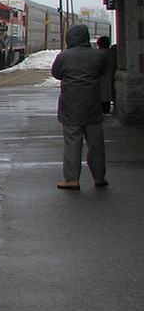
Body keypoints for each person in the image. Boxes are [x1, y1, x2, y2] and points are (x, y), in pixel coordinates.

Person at [50, 24, 108, 190]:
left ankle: (72, 179)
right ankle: (99, 177)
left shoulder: (64, 56)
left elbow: (56, 74)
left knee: (72, 144)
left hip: (71, 106)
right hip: (92, 105)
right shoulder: (97, 55)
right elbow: (102, 71)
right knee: (96, 144)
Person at [97, 35, 116, 113]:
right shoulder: (112, 53)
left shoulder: (97, 54)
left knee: (101, 96)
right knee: (107, 96)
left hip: (100, 78)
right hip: (111, 76)